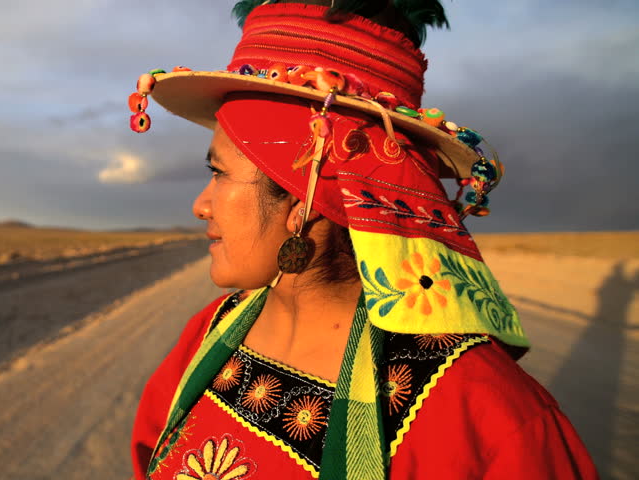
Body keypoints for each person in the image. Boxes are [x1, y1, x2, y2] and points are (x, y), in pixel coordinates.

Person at [127, 1, 598, 479]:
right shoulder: (209, 334)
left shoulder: (485, 413)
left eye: (218, 173)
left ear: (303, 198)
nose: (200, 205)